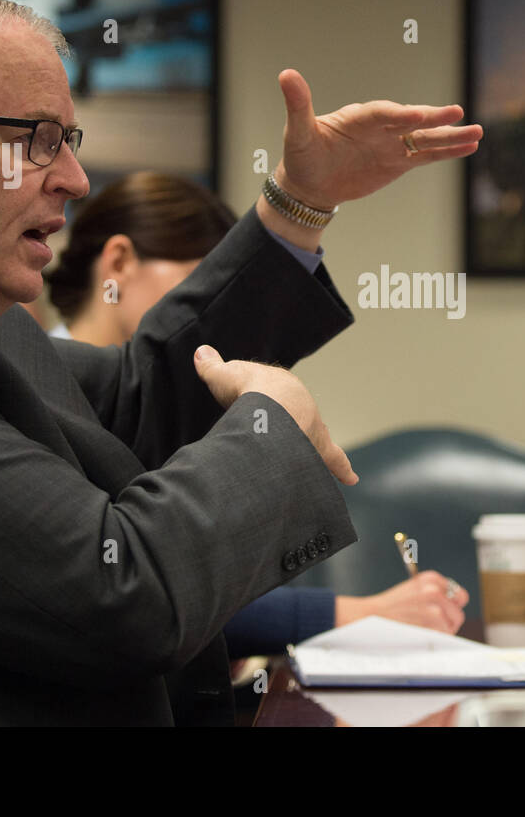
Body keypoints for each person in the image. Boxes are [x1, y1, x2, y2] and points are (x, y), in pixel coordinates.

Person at [0, 0, 482, 725]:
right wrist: (271, 422)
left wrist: (299, 200)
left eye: (67, 142)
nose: (73, 179)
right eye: (35, 138)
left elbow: (138, 401)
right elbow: (118, 594)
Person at [42, 170, 470, 657]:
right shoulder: (36, 401)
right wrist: (356, 614)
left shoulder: (161, 404)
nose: (208, 314)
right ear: (119, 261)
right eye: (197, 285)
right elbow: (138, 583)